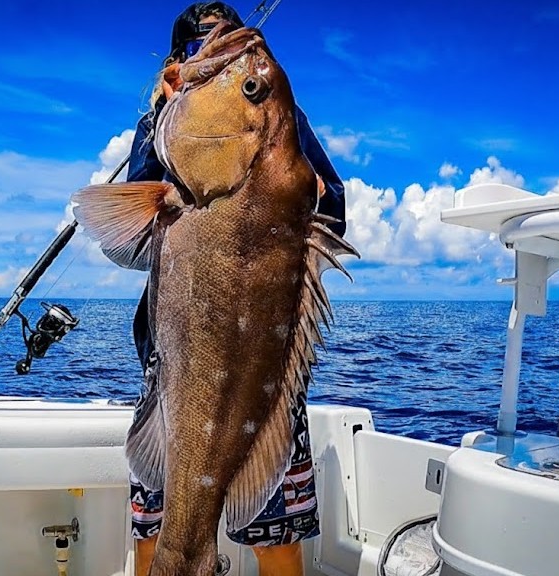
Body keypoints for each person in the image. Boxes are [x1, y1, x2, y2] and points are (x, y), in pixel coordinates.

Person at [125, 3, 347, 575]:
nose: (225, 55)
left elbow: (334, 208)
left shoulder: (282, 119)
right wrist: (159, 131)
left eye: (248, 79)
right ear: (177, 62)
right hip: (174, 367)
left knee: (275, 536)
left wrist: (288, 195)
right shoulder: (158, 127)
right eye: (204, 46)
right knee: (154, 525)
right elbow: (125, 245)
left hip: (261, 374)